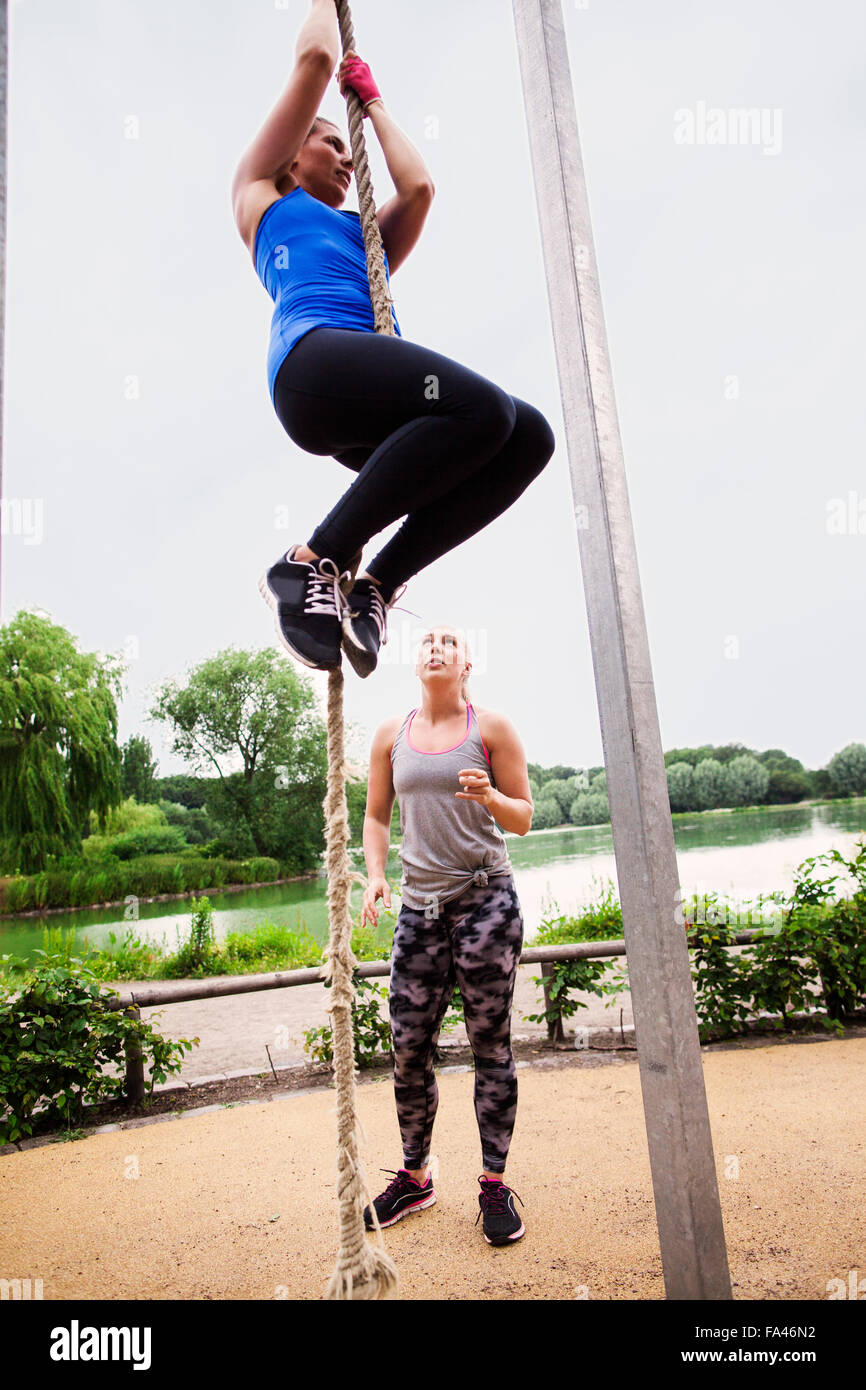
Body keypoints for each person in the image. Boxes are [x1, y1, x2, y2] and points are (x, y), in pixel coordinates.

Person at [231, 0, 555, 677]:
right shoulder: (263, 196)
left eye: (350, 151)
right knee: (483, 410)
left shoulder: (365, 236)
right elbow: (317, 61)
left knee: (527, 437)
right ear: (293, 155)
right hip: (311, 365)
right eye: (332, 144)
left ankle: (373, 588)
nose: (346, 161)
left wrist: (372, 104)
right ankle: (308, 563)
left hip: (366, 414)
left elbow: (421, 186)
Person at [360, 624, 533, 1245]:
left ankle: (492, 1187)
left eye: (449, 641)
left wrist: (490, 796)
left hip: (486, 901)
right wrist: (375, 875)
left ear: (467, 663)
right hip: (417, 912)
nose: (435, 646)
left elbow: (524, 818)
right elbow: (376, 816)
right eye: (427, 641)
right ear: (417, 664)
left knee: (491, 1045)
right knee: (407, 1048)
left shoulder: (492, 729)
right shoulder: (391, 735)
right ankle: (416, 1176)